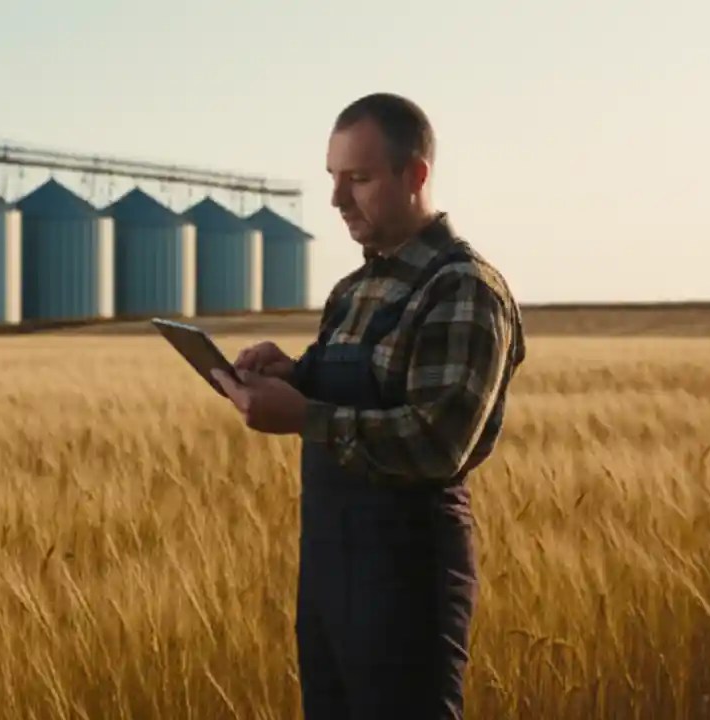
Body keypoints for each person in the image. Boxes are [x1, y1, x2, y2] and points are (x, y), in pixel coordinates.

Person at [210, 93, 526, 719]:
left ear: (416, 176)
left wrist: (302, 416)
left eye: (358, 179)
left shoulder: (461, 287)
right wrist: (293, 374)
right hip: (329, 569)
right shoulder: (353, 289)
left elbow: (439, 442)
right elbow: (365, 388)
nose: (336, 200)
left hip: (408, 580)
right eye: (332, 179)